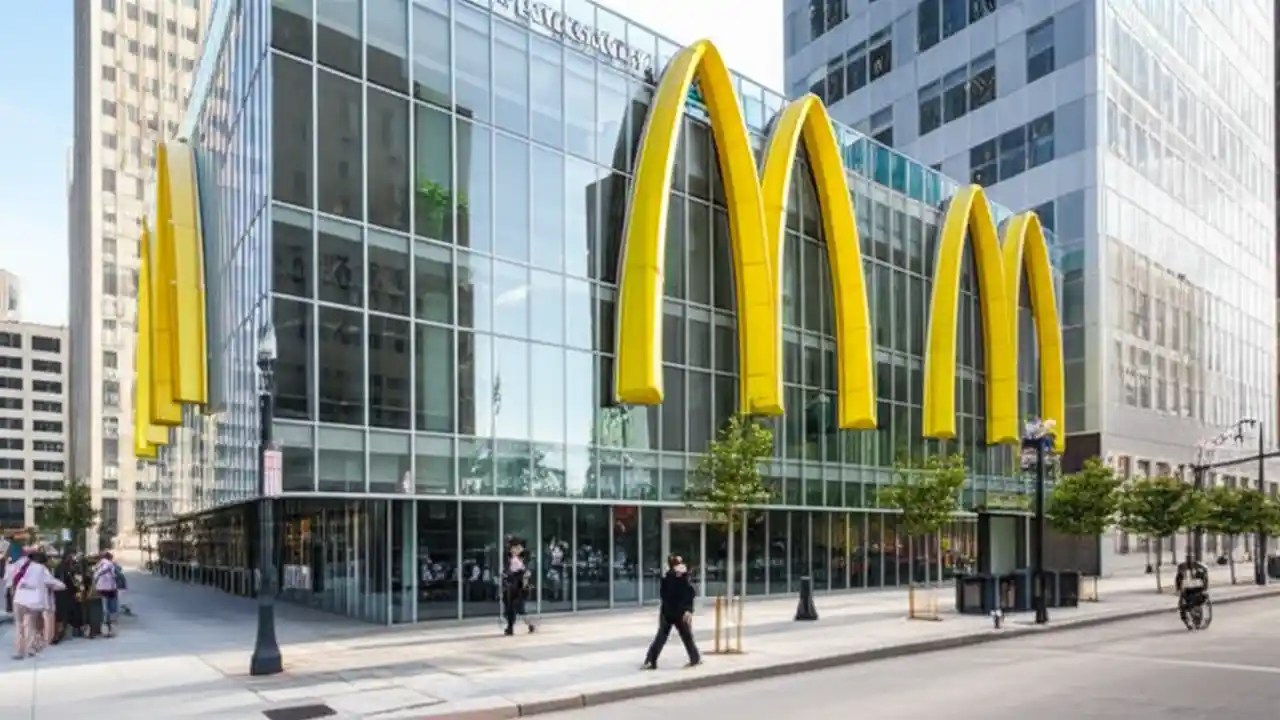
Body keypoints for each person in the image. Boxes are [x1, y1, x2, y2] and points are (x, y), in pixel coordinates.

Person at [642, 555, 701, 670]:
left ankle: (651, 660)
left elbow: (689, 594)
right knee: (664, 637)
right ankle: (651, 660)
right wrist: (688, 610)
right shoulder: (673, 579)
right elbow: (671, 595)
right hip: (672, 613)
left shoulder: (681, 579)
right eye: (678, 566)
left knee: (684, 636)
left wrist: (688, 610)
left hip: (675, 613)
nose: (680, 568)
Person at [7, 549, 64, 659]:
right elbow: (54, 583)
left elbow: (9, 577)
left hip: (19, 599)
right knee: (31, 626)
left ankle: (19, 651)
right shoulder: (42, 569)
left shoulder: (21, 564)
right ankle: (30, 649)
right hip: (33, 602)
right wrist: (60, 586)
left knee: (19, 626)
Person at [501, 538, 535, 636]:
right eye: (514, 548)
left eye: (518, 548)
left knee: (519, 608)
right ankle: (510, 627)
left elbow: (526, 574)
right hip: (511, 588)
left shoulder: (524, 560)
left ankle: (530, 624)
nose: (515, 550)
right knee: (510, 608)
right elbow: (507, 573)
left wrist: (525, 586)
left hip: (521, 588)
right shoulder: (509, 560)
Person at [1175, 553, 1210, 623]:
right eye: (1188, 559)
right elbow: (1178, 578)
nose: (1189, 561)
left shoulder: (1199, 566)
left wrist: (1204, 587)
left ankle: (1196, 615)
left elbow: (1205, 574)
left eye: (1191, 558)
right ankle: (1185, 617)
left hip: (1197, 588)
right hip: (1187, 588)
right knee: (1182, 603)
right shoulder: (1182, 566)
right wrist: (1178, 588)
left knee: (1200, 598)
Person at [93, 551, 120, 637]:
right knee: (111, 609)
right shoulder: (111, 564)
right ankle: (110, 628)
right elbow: (116, 575)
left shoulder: (99, 565)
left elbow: (95, 575)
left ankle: (105, 628)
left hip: (101, 589)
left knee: (105, 609)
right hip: (111, 589)